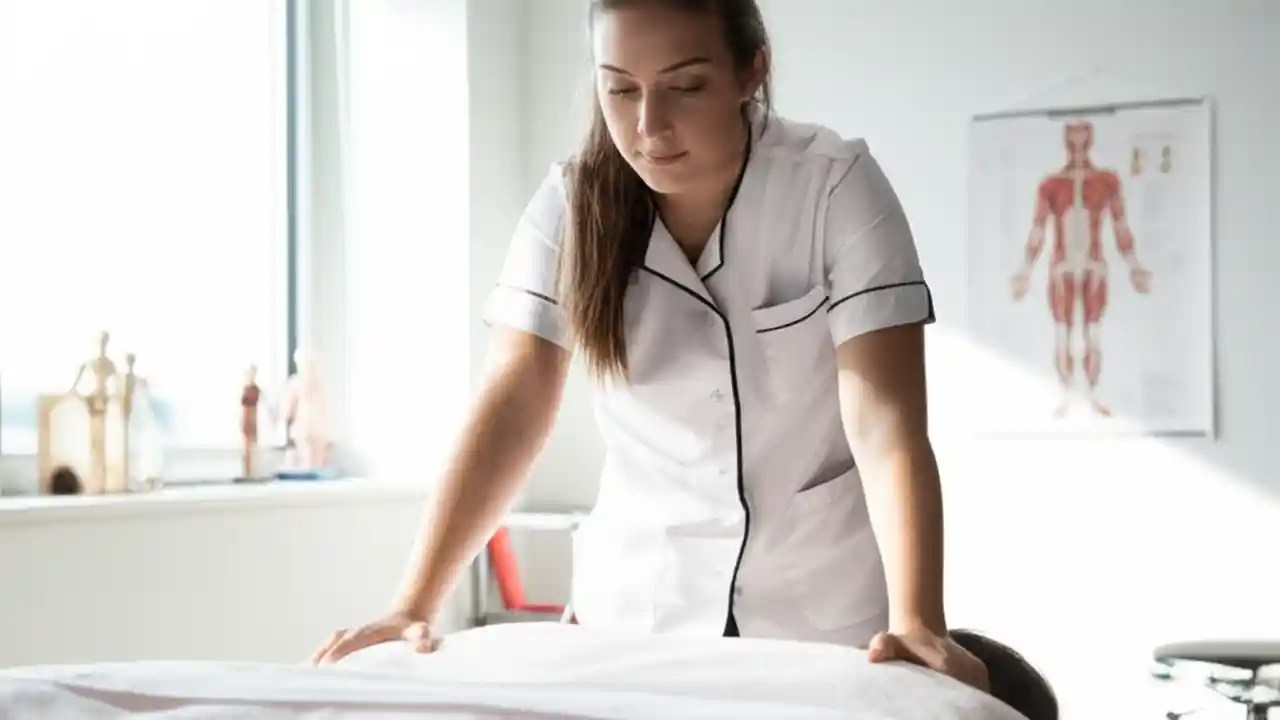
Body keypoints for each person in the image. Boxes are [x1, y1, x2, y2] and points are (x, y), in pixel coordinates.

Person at [312, 0, 988, 694]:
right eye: (620, 88)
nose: (648, 127)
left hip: (816, 612)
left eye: (685, 86)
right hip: (633, 613)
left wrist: (917, 618)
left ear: (752, 69)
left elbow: (886, 425)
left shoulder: (834, 187)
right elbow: (512, 404)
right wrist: (412, 605)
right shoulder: (570, 204)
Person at [1010, 120, 1152, 417]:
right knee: (1062, 332)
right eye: (1073, 139)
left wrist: (1135, 267)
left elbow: (1120, 225)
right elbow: (1038, 230)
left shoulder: (1106, 181)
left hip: (1094, 264)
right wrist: (1024, 271)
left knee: (1092, 331)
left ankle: (1091, 394)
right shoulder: (1051, 185)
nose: (1078, 146)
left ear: (1090, 140)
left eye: (1083, 139)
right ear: (1065, 141)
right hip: (1061, 267)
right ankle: (1066, 395)